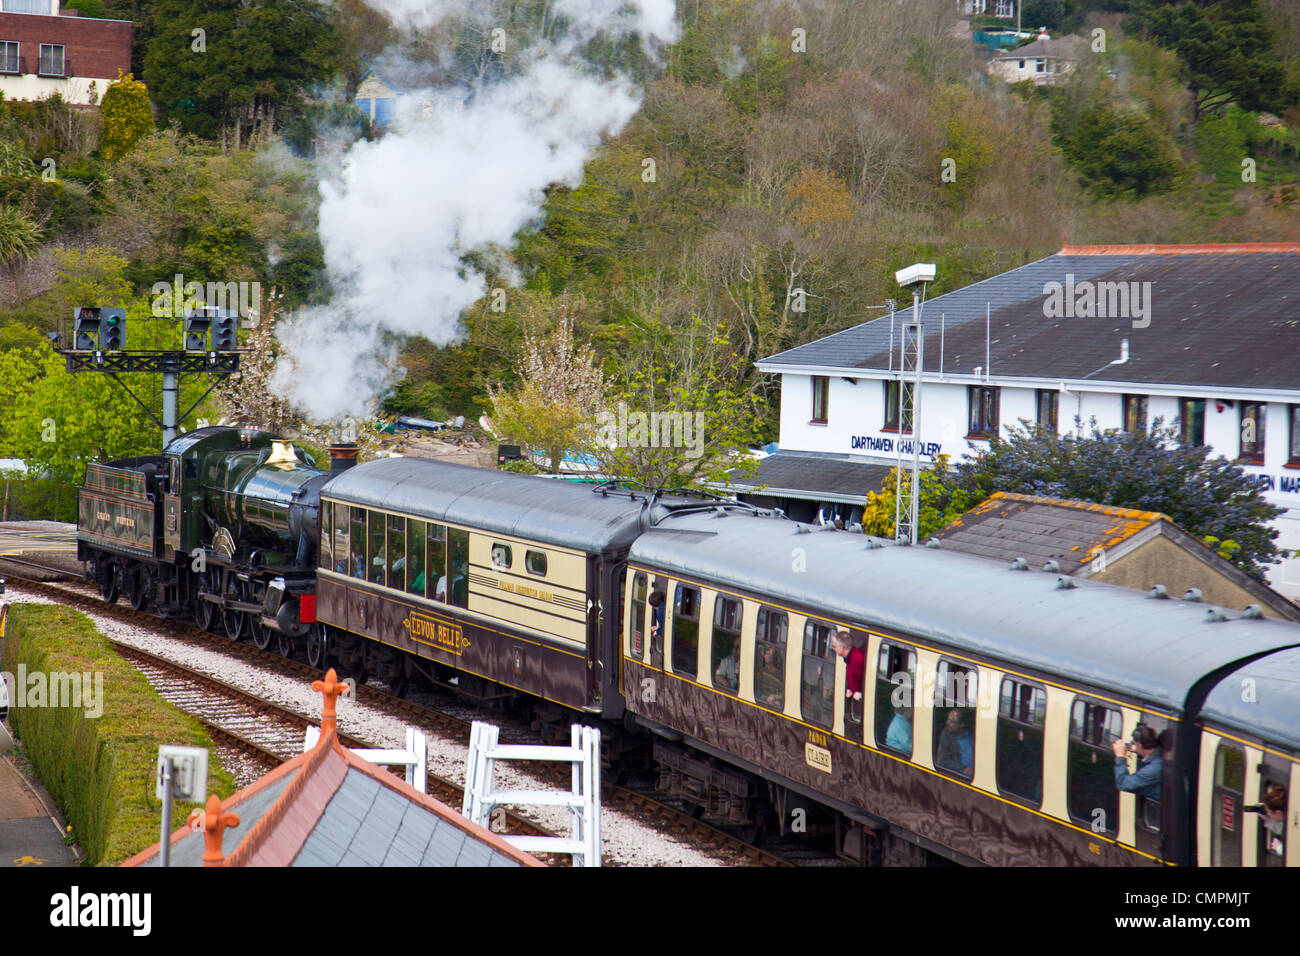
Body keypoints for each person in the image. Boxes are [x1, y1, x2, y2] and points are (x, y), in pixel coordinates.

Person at [1112, 725, 1162, 801]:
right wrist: (1139, 751)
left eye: (1134, 743)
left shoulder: (1152, 770)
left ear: (1139, 744)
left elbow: (1123, 783)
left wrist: (1120, 757)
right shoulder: (1161, 755)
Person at [936, 708, 974, 775]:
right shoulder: (946, 735)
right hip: (961, 775)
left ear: (961, 724)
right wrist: (963, 768)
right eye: (948, 719)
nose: (947, 723)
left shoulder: (972, 734)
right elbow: (942, 761)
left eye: (951, 721)